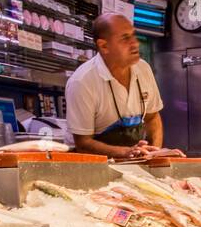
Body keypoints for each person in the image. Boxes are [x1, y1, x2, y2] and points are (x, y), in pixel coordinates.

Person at [65, 14, 172, 161]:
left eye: (133, 35)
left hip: (132, 161)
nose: (135, 43)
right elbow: (83, 143)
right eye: (125, 38)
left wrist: (153, 155)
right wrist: (126, 152)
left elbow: (152, 117)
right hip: (91, 166)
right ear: (104, 46)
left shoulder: (143, 69)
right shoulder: (82, 82)